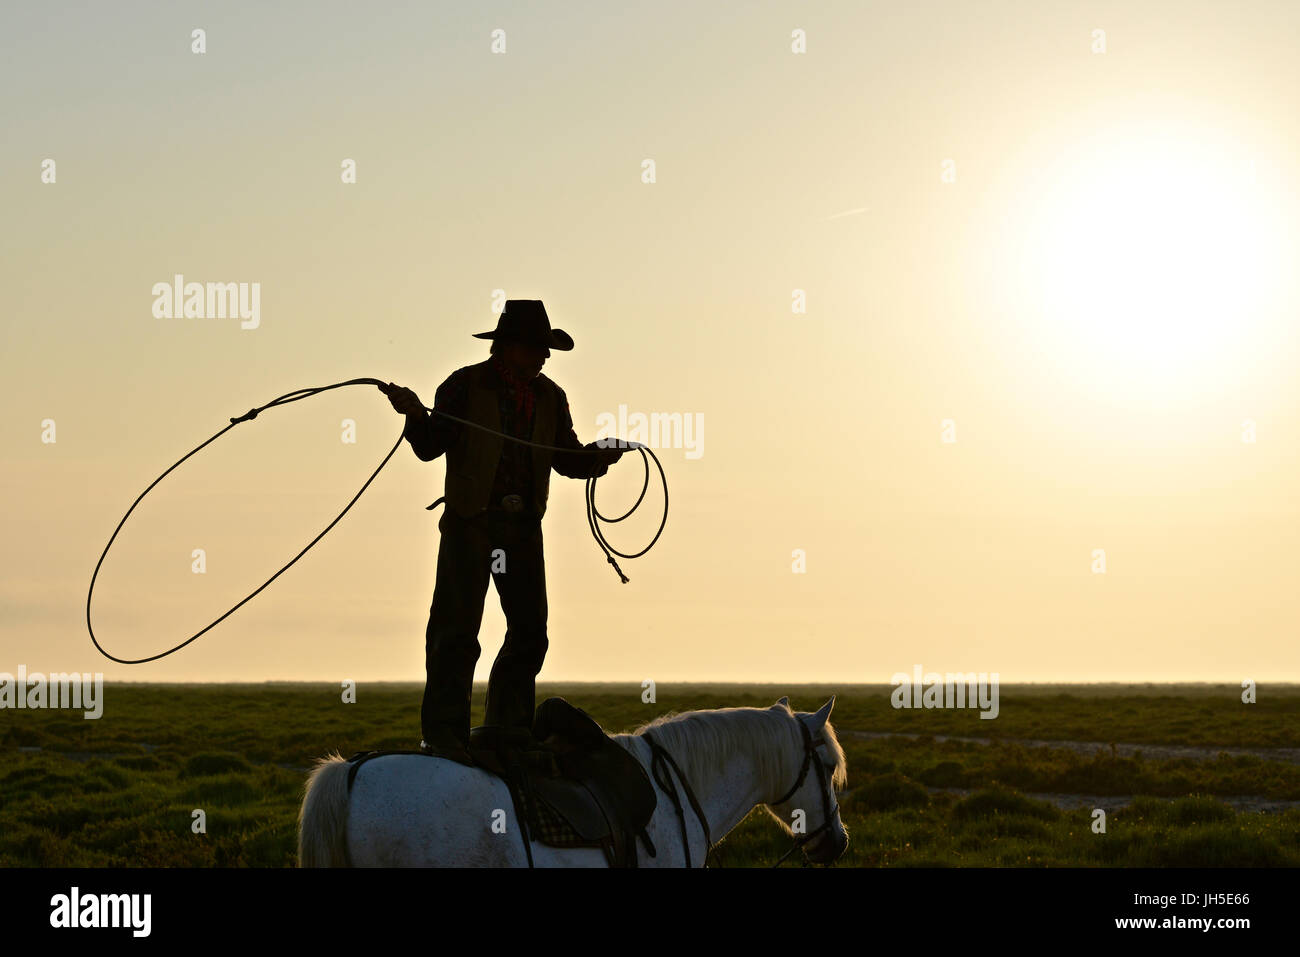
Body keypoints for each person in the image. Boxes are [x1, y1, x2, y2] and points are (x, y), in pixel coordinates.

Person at [380, 300, 624, 765]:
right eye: (538, 347)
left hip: (522, 528)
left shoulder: (551, 398)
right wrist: (413, 413)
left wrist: (600, 457)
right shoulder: (464, 386)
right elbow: (430, 446)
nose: (545, 357)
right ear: (509, 347)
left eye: (546, 349)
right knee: (455, 631)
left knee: (531, 631)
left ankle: (506, 732)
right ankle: (445, 737)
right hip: (469, 523)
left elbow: (565, 457)